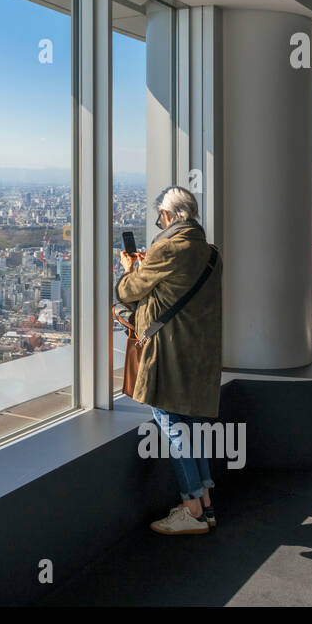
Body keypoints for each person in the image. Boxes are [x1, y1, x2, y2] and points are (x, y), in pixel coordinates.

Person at [115, 186, 223, 536]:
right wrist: (150, 265)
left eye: (160, 213)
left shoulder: (168, 247)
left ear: (170, 215)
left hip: (169, 351)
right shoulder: (209, 252)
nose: (158, 219)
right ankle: (205, 501)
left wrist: (131, 268)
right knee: (191, 425)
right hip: (199, 351)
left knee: (170, 422)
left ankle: (191, 508)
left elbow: (129, 291)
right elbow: (177, 287)